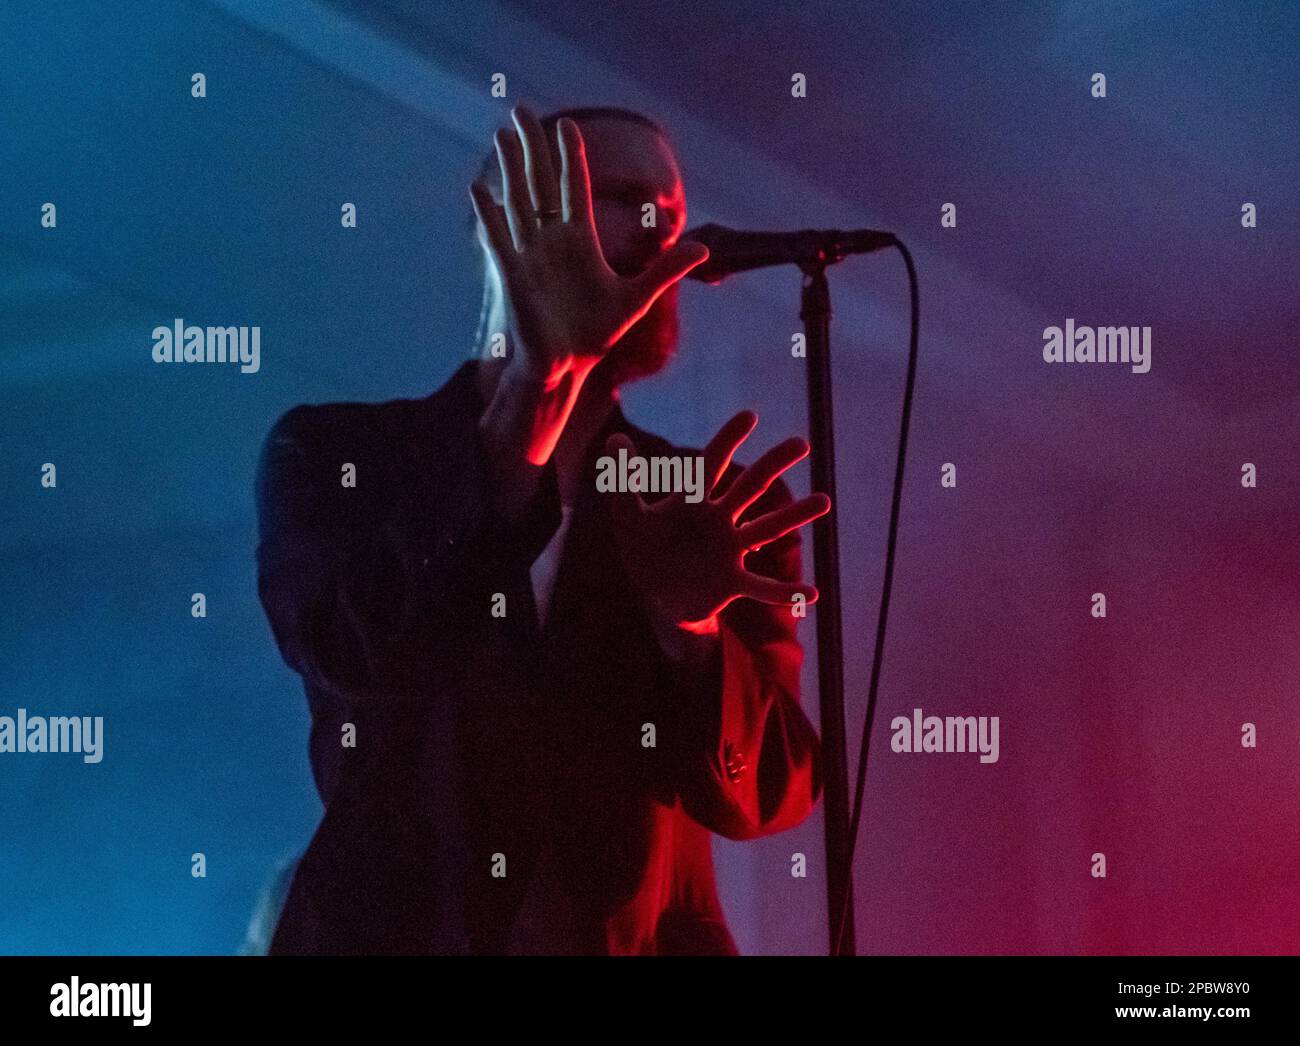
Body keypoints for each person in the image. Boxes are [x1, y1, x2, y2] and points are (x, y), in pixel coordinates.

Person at [254, 103, 831, 955]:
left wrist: (694, 635)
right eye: (627, 201)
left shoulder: (702, 500)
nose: (666, 236)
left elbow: (769, 793)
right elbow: (361, 648)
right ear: (505, 219)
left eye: (671, 215)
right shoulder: (340, 456)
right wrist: (536, 383)